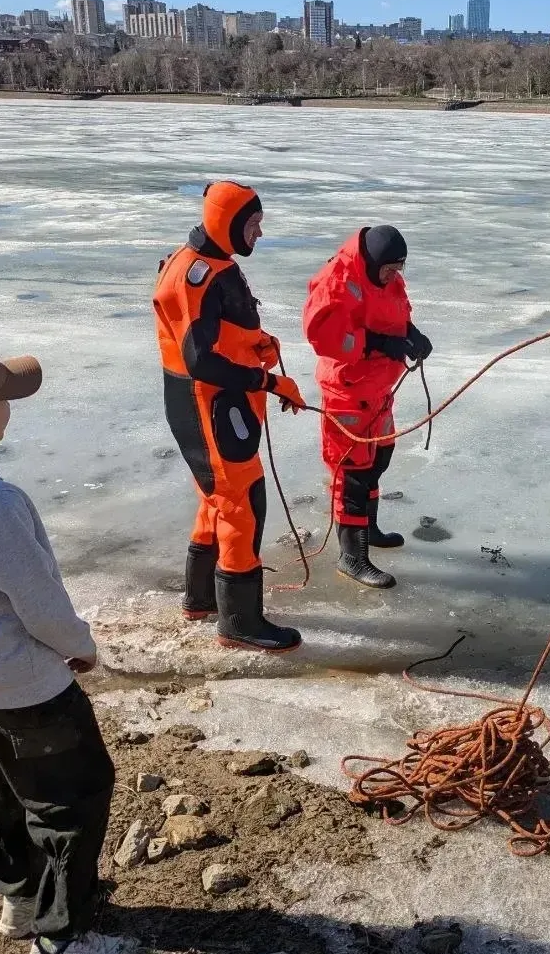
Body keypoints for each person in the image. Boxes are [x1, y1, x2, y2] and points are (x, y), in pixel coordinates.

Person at [0, 342, 142, 954]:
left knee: (0, 785)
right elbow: (39, 605)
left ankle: (20, 898)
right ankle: (59, 948)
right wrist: (81, 647)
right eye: (3, 396)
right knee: (74, 798)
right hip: (29, 685)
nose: (11, 404)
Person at [153, 180, 306, 653]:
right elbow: (200, 360)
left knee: (217, 498)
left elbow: (221, 332)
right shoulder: (194, 274)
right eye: (253, 224)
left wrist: (257, 343)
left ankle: (200, 599)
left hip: (218, 403)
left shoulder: (216, 263)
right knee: (242, 504)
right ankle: (240, 622)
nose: (259, 233)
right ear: (227, 222)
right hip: (208, 404)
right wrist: (268, 381)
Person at [303, 225, 433, 589]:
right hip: (346, 388)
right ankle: (352, 557)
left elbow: (395, 313)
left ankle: (369, 529)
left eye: (399, 269)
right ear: (374, 262)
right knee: (353, 474)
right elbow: (322, 335)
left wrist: (411, 334)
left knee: (380, 457)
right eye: (390, 269)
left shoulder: (387, 277)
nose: (394, 276)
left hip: (378, 388)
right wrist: (377, 343)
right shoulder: (338, 280)